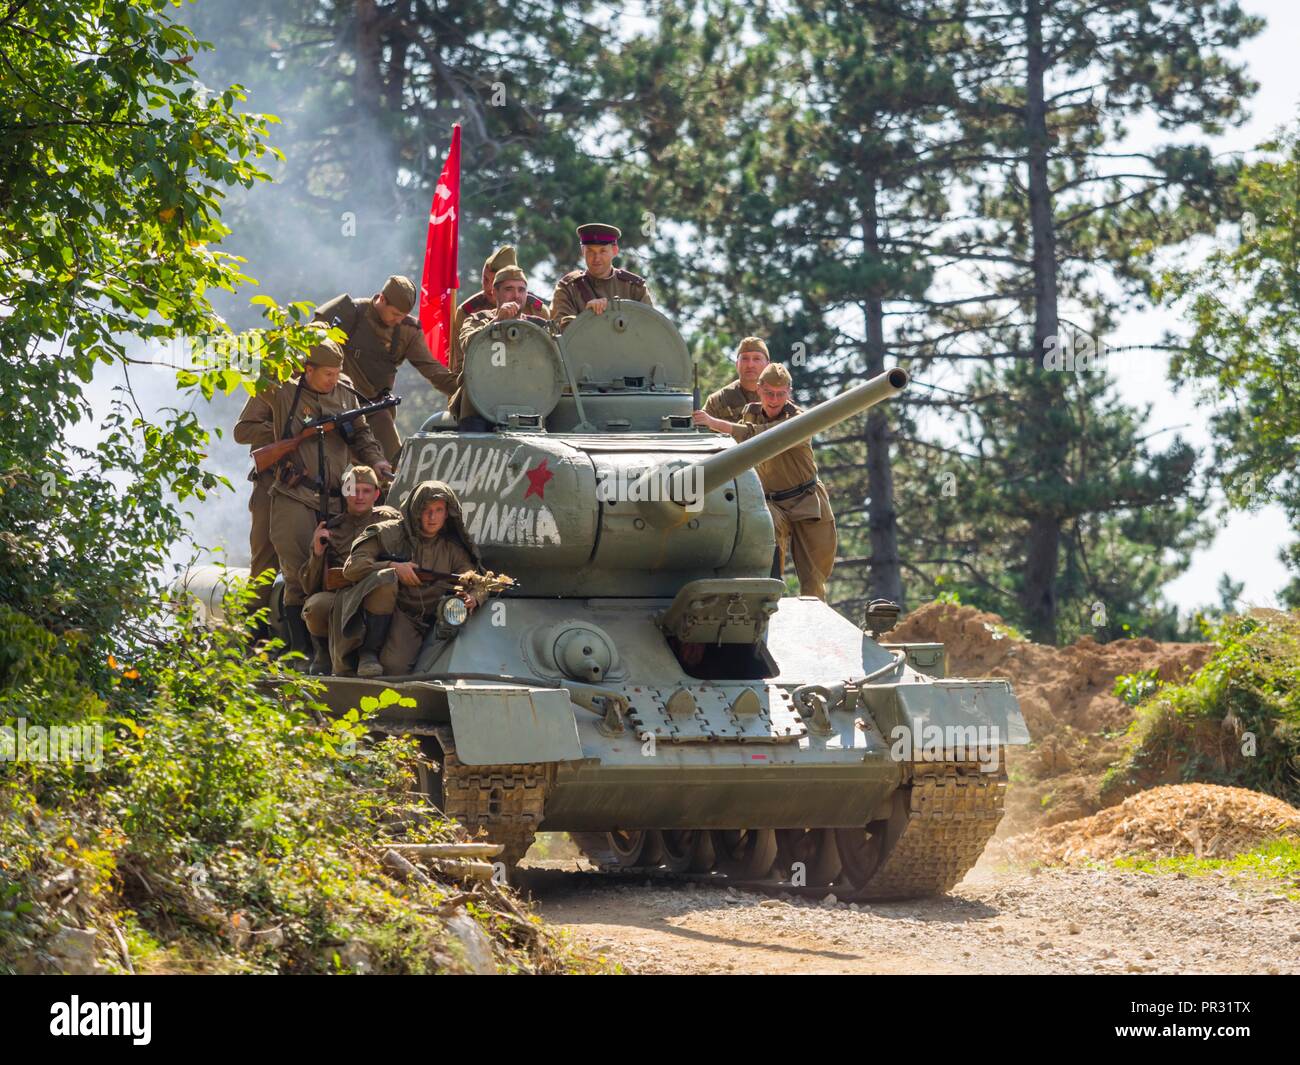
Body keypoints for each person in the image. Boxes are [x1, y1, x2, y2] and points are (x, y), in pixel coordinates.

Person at [234, 333, 393, 658]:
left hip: (335, 499)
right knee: (294, 574)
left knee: (329, 572)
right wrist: (290, 434)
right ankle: (296, 652)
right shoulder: (285, 392)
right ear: (307, 370)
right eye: (327, 374)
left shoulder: (346, 395)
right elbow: (249, 374)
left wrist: (376, 459)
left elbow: (361, 433)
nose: (334, 379)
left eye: (337, 372)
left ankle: (328, 650)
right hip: (295, 496)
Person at [692, 363, 836, 600]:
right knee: (765, 556)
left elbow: (763, 436)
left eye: (781, 394)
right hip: (772, 504)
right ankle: (768, 609)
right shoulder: (750, 412)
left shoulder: (800, 419)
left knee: (814, 580)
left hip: (806, 500)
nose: (774, 399)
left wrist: (716, 423)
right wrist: (702, 422)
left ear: (789, 392)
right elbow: (732, 438)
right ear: (758, 389)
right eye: (769, 393)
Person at [340, 480, 482, 677]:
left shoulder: (452, 548)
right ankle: (368, 652)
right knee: (386, 579)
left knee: (395, 668)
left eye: (438, 510)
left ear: (447, 512)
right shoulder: (390, 533)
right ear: (416, 510)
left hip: (431, 618)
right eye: (426, 510)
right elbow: (352, 567)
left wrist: (474, 597)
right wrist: (393, 567)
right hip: (397, 611)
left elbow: (477, 580)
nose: (432, 517)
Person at [313, 275, 459, 461]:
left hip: (374, 411)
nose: (398, 320)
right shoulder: (348, 313)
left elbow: (433, 371)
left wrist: (467, 391)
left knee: (395, 468)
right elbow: (310, 348)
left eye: (404, 316)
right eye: (395, 314)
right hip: (332, 408)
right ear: (381, 299)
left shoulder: (408, 331)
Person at [299, 465, 400, 675]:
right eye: (354, 490)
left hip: (374, 595)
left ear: (377, 494)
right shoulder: (332, 528)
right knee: (314, 607)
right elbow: (309, 586)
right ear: (346, 493)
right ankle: (325, 652)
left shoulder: (389, 521)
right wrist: (317, 553)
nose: (359, 496)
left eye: (366, 491)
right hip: (341, 597)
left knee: (386, 582)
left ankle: (368, 653)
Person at [452, 265, 549, 428]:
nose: (516, 295)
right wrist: (497, 321)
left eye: (521, 290)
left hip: (526, 406)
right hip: (479, 406)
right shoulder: (477, 320)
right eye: (509, 289)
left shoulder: (537, 327)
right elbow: (468, 346)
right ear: (495, 293)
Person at [448, 245, 550, 373]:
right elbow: (459, 364)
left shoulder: (537, 312)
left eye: (495, 279)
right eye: (485, 280)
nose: (489, 288)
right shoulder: (469, 312)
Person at [550, 223, 652, 332]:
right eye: (590, 251)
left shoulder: (634, 288)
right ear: (582, 251)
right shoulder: (568, 288)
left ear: (615, 251)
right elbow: (557, 330)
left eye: (602, 251)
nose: (596, 258)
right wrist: (585, 317)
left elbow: (650, 327)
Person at [703, 337, 771, 423]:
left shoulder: (778, 397)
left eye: (756, 359)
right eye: (745, 359)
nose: (750, 365)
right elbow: (700, 432)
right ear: (737, 364)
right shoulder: (717, 401)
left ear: (768, 365)